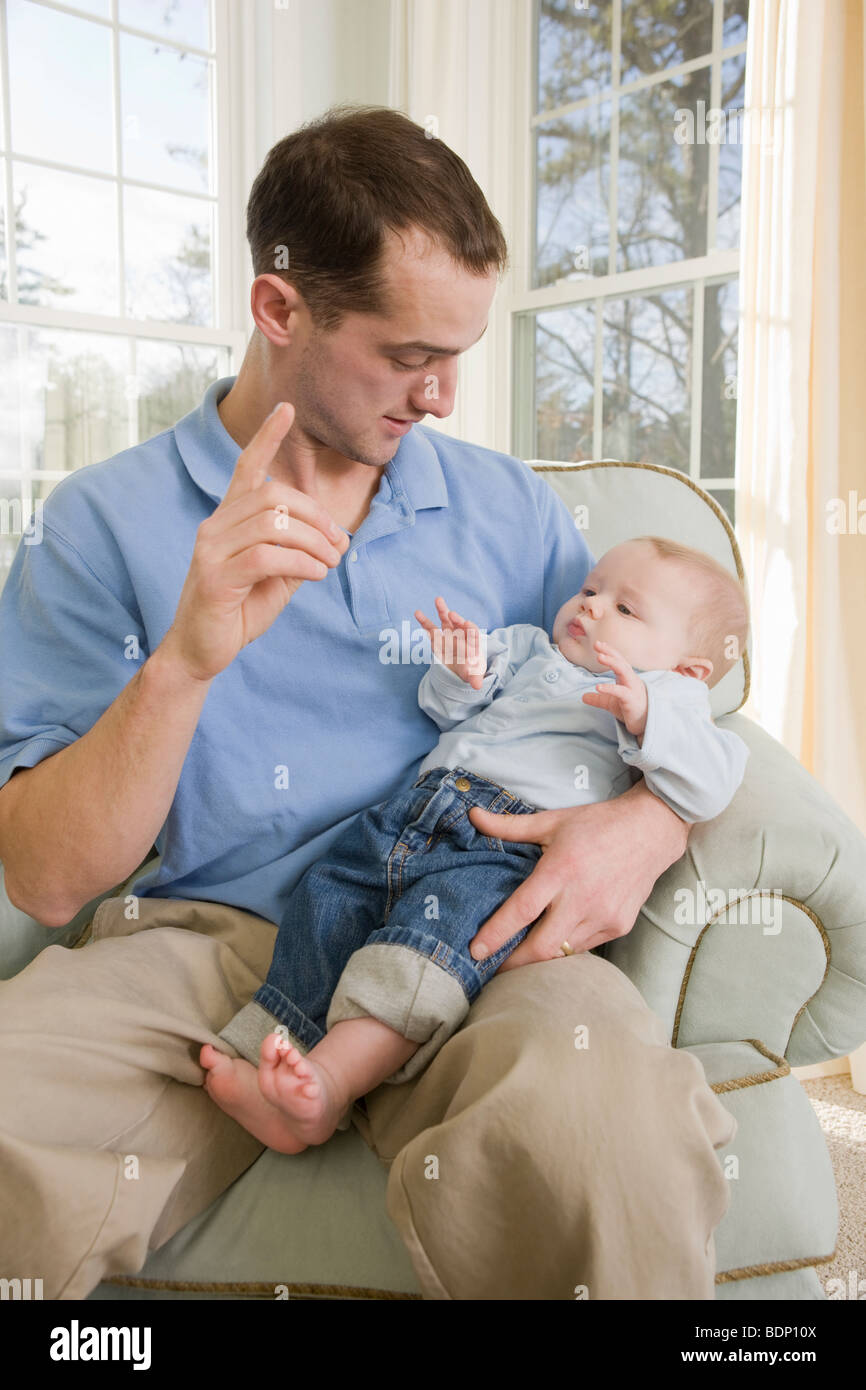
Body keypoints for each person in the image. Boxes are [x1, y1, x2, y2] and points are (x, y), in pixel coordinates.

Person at [0, 106, 736, 1301]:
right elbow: (42, 874)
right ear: (280, 309)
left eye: (462, 352)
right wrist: (181, 664)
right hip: (205, 948)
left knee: (604, 1137)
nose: (443, 395)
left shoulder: (512, 514)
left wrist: (647, 824)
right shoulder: (100, 524)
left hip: (485, 932)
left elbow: (684, 696)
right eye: (407, 356)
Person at [202, 537, 750, 1150]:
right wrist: (463, 672)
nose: (591, 607)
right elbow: (444, 709)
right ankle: (266, 1053)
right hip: (415, 813)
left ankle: (330, 1084)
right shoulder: (528, 648)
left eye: (627, 610)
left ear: (688, 668)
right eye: (592, 589)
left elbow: (711, 781)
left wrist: (649, 715)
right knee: (326, 906)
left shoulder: (668, 696)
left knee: (421, 954)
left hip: (506, 851)